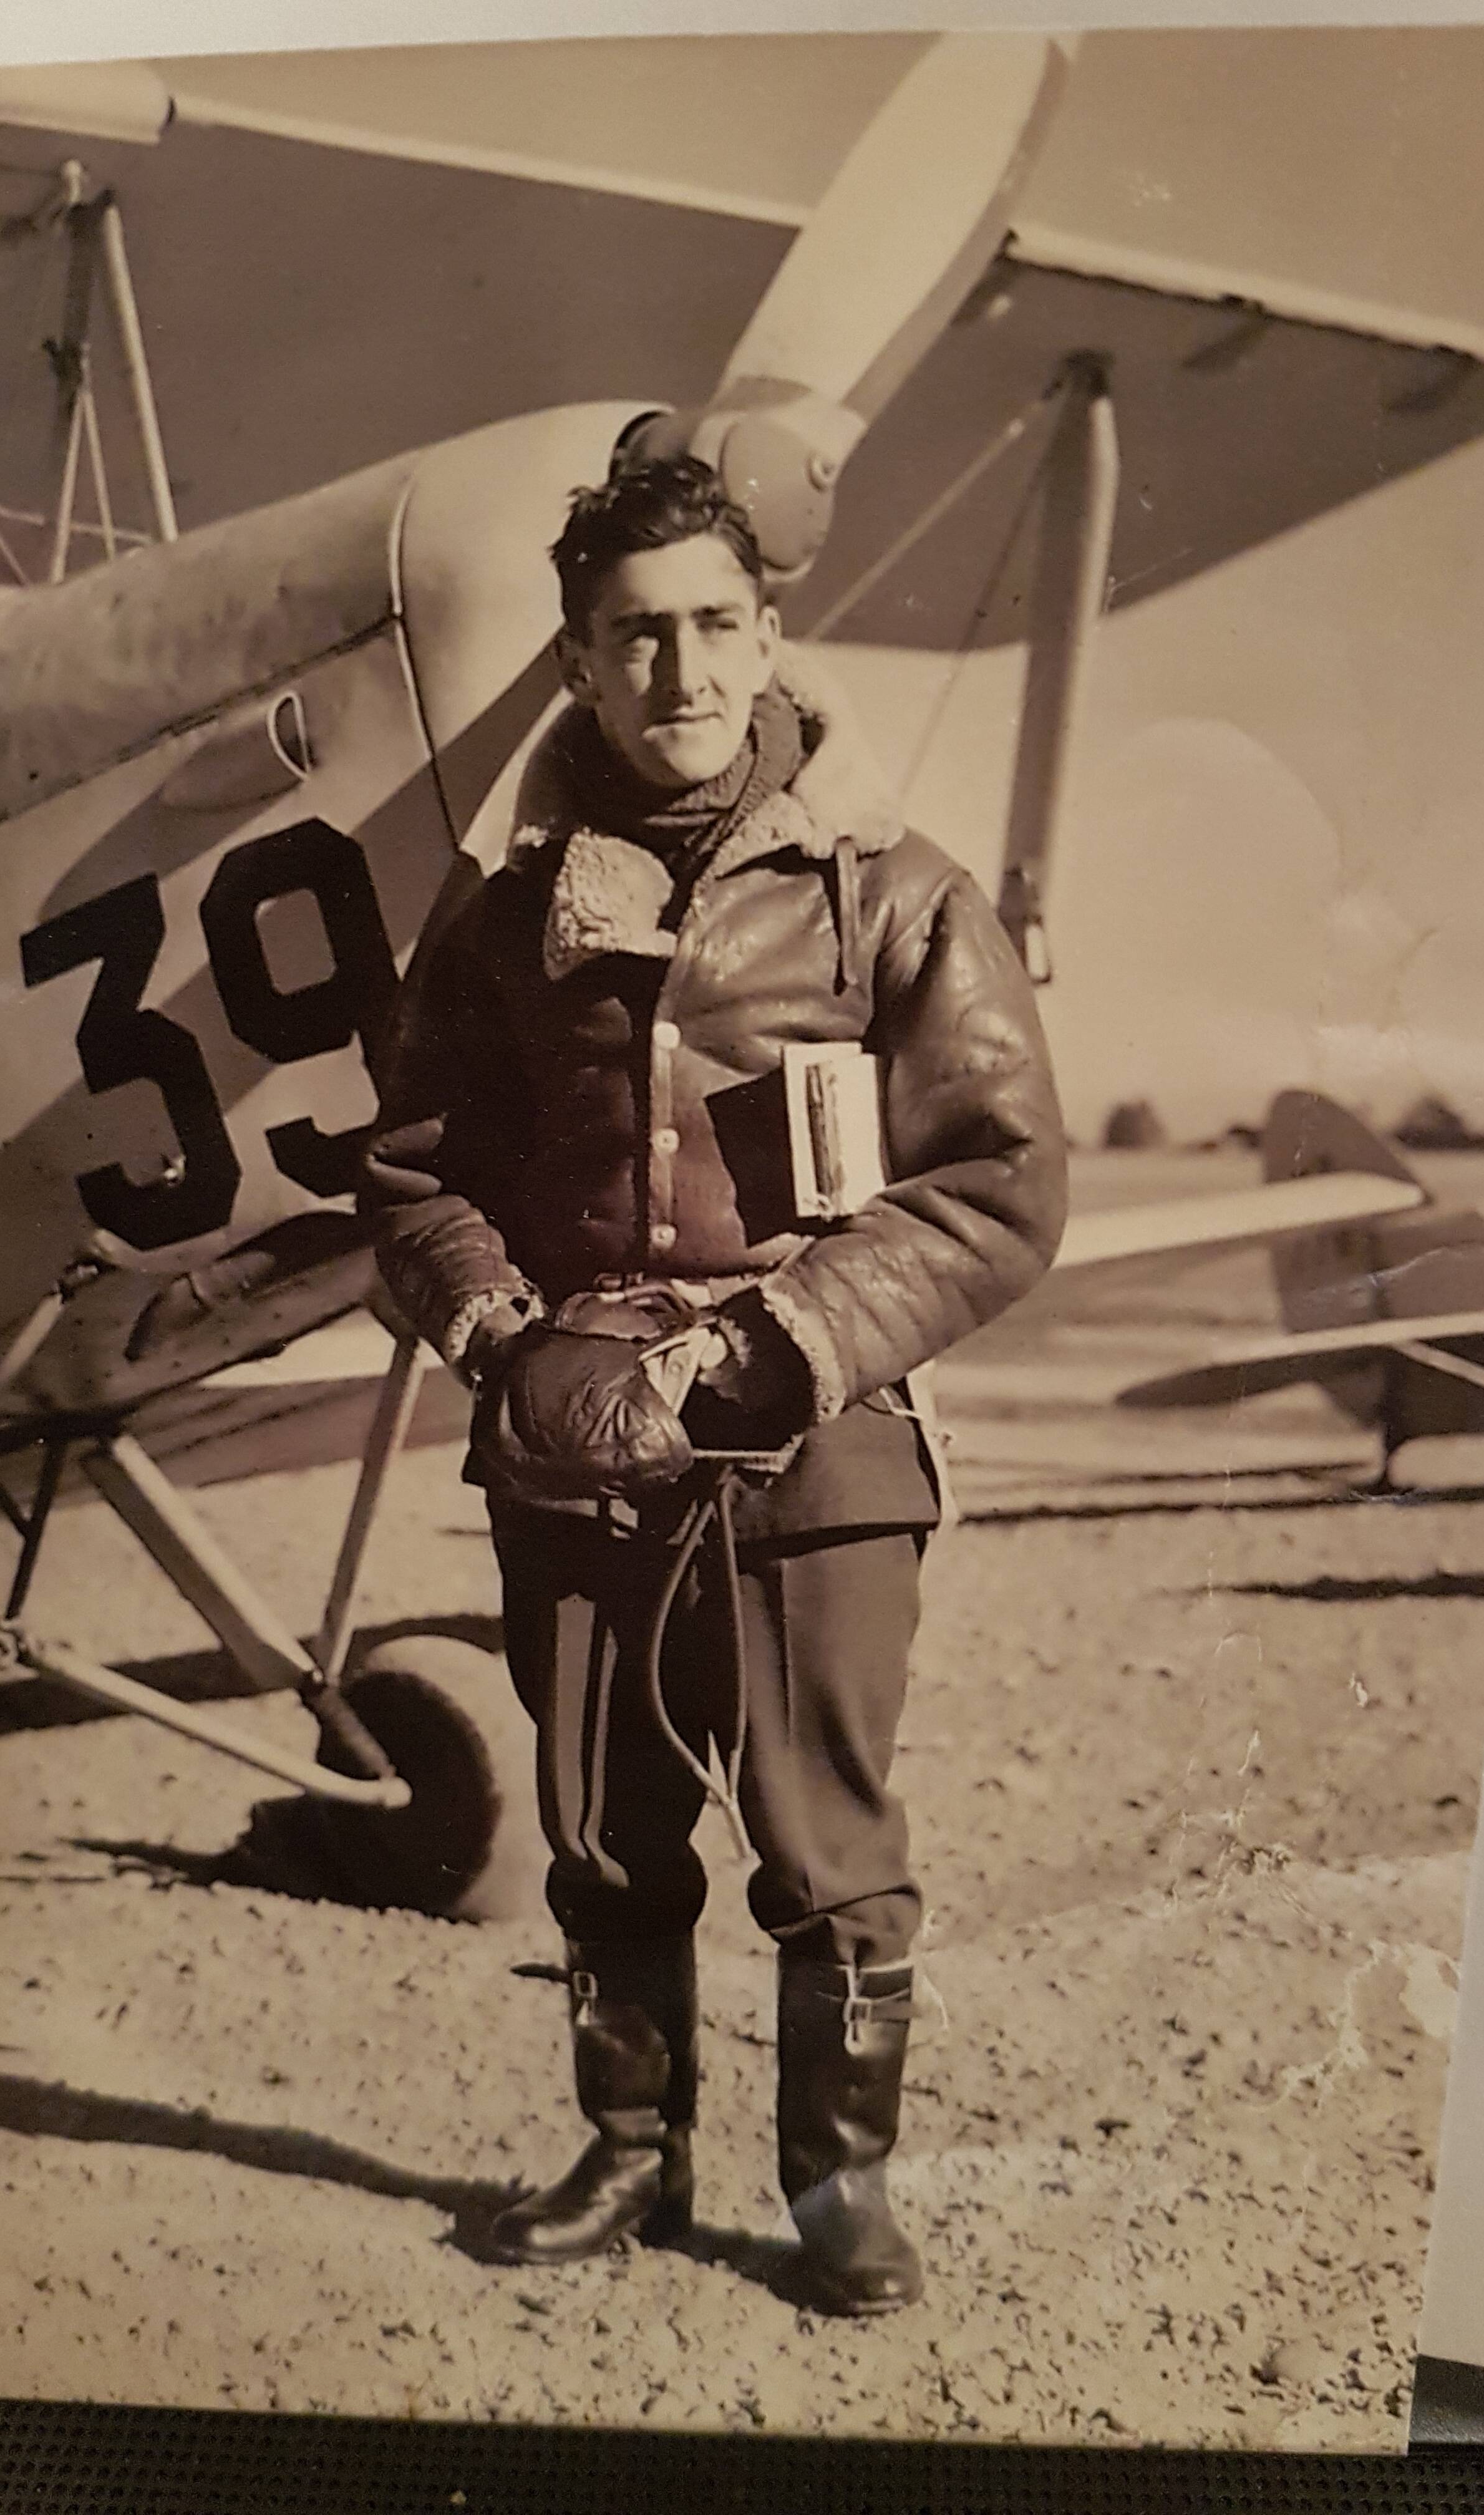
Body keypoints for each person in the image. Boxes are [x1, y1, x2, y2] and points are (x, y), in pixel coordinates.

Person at [362, 455, 1067, 2316]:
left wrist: (771, 1345)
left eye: (710, 626)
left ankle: (841, 2193)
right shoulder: (507, 919)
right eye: (632, 635)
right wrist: (510, 1343)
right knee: (601, 1833)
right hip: (578, 1442)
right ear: (583, 664)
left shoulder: (898, 895)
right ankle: (626, 2151)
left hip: (817, 1437)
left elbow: (998, 1186)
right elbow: (419, 1172)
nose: (677, 670)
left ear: (767, 640)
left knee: (827, 1850)